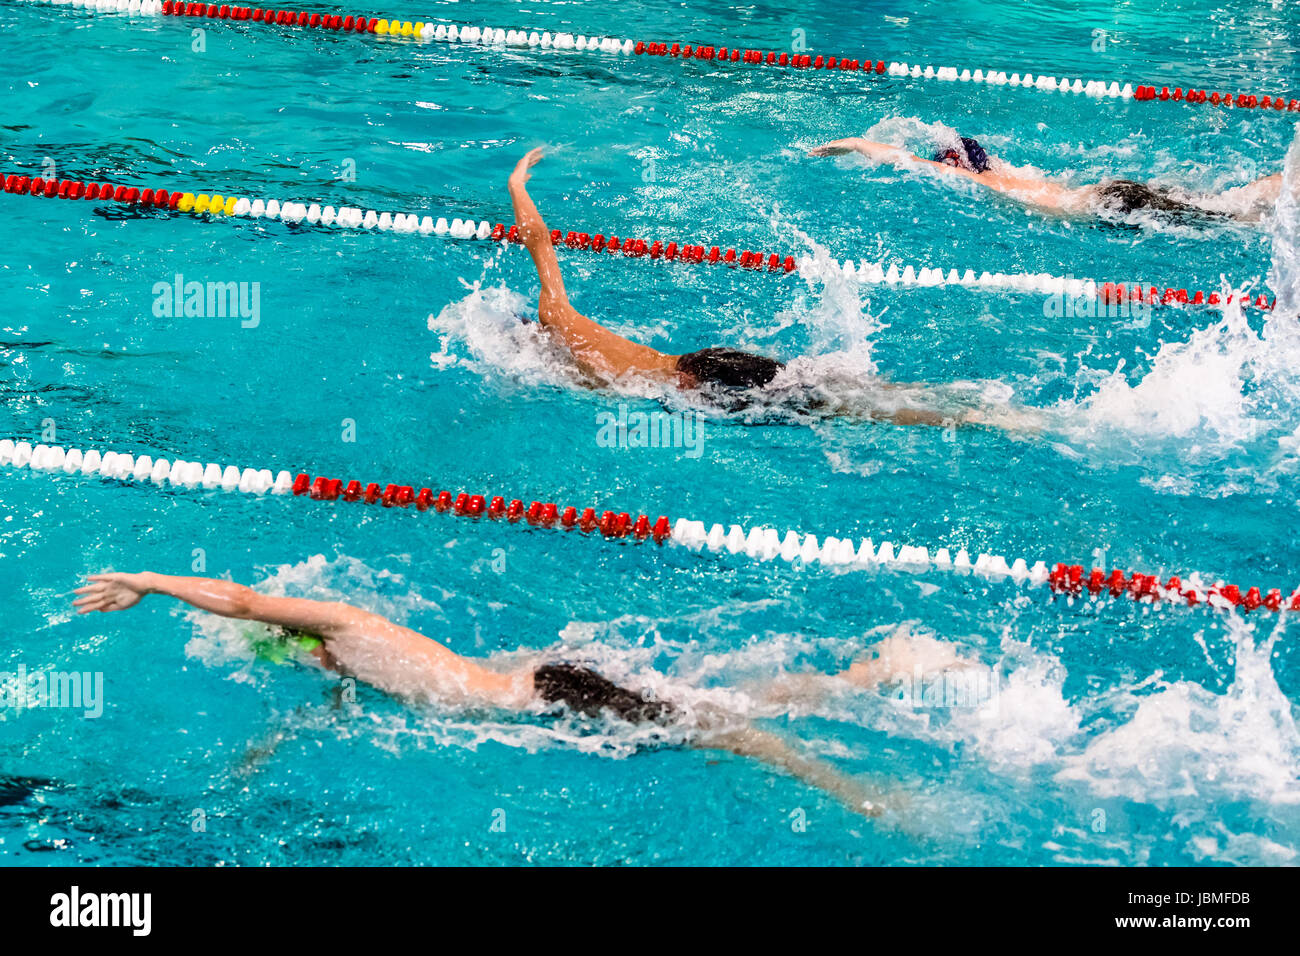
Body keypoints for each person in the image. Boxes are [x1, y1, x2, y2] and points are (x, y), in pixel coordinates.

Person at [72, 570, 974, 818]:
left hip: (555, 696)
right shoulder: (347, 668)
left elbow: (235, 599)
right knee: (715, 702)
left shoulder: (342, 624)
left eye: (286, 655)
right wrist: (253, 761)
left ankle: (856, 790)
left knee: (719, 729)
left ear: (298, 638)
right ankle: (872, 674)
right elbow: (317, 715)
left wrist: (149, 579)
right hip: (543, 690)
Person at [507, 147, 1010, 428]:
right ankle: (977, 408)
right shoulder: (567, 322)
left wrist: (515, 185)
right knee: (817, 389)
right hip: (699, 361)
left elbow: (536, 243)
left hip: (698, 379)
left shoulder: (571, 349)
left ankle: (977, 418)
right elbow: (538, 242)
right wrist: (517, 184)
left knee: (834, 407)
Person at [809, 133, 1289, 222]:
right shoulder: (1015, 174)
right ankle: (1287, 176)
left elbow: (903, 160)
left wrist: (853, 142)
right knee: (1225, 202)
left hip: (1106, 205)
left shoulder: (988, 184)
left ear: (959, 167)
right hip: (1106, 191)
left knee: (1231, 215)